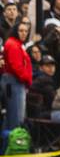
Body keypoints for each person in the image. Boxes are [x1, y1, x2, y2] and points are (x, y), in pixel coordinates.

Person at [1, 18, 32, 146]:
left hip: (14, 82)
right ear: (15, 31)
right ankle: (13, 147)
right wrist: (27, 79)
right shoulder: (13, 44)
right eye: (21, 30)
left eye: (26, 31)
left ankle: (8, 148)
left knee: (11, 119)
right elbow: (17, 67)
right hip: (14, 82)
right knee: (16, 119)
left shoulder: (16, 44)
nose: (24, 33)